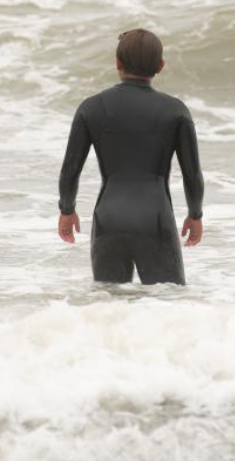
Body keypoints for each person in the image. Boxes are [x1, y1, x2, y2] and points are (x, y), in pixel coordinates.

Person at [57, 29, 205, 285]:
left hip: (107, 220)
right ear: (160, 65)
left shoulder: (90, 108)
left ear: (117, 64)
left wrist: (67, 209)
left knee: (109, 306)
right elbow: (192, 174)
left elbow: (70, 169)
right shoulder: (176, 111)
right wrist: (195, 214)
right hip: (155, 219)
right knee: (167, 303)